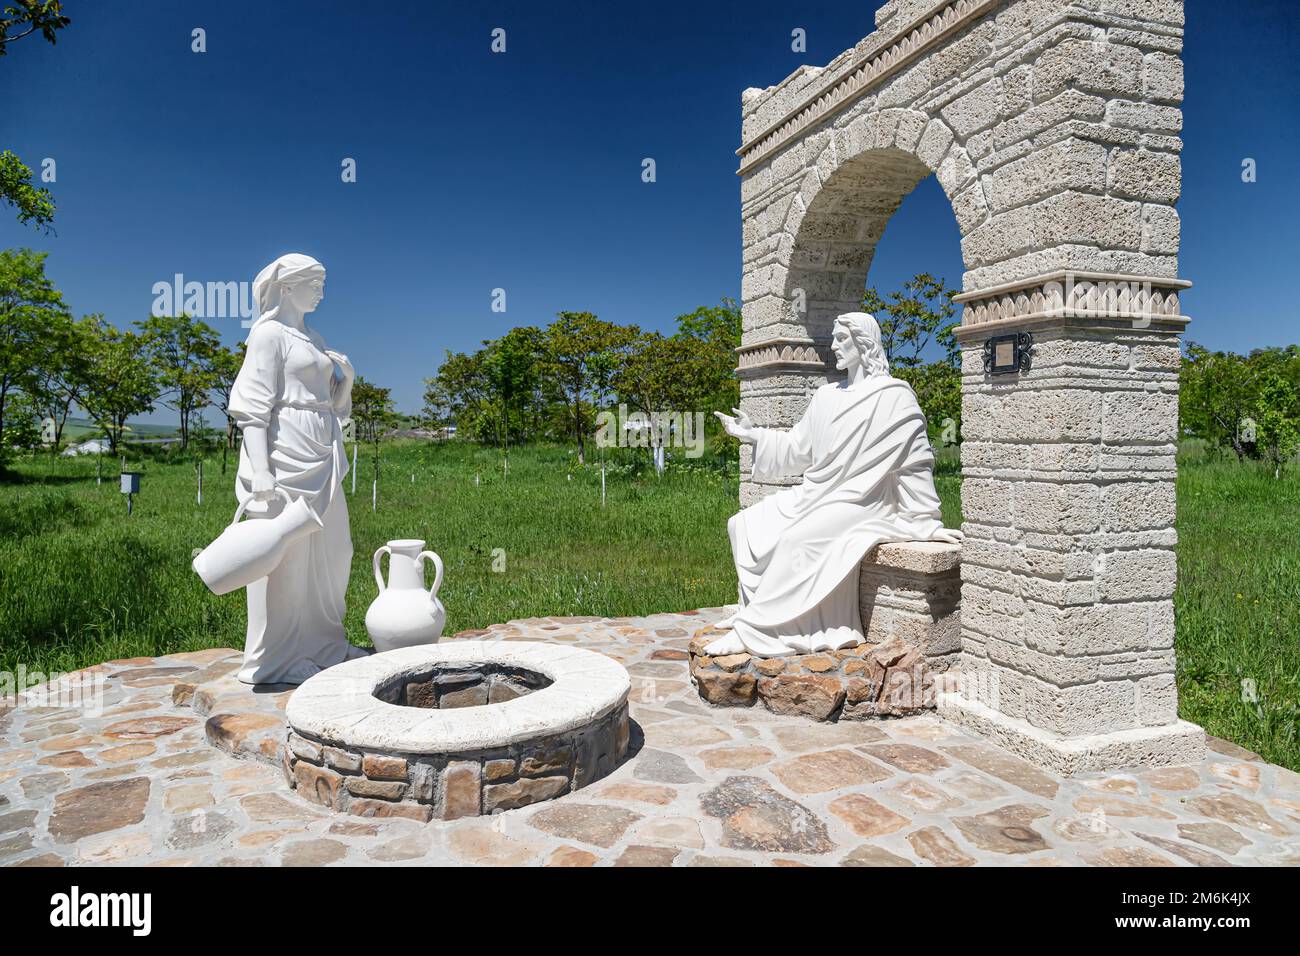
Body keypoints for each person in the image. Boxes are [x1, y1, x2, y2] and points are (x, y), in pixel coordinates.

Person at [707, 311, 961, 658]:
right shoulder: (826, 396)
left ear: (864, 343)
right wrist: (755, 436)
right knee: (742, 524)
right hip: (820, 493)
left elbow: (914, 463)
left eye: (843, 339)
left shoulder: (894, 397)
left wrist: (927, 520)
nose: (835, 346)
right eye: (835, 338)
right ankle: (753, 611)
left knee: (798, 540)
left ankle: (757, 631)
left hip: (863, 503)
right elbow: (798, 449)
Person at [226, 253, 362, 683]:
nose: (322, 292)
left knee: (335, 551)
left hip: (321, 449)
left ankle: (324, 643)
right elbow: (251, 407)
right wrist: (261, 469)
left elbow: (334, 407)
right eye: (315, 283)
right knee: (285, 559)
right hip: (284, 452)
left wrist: (348, 381)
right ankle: (276, 657)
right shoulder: (268, 336)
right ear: (287, 286)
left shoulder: (313, 337)